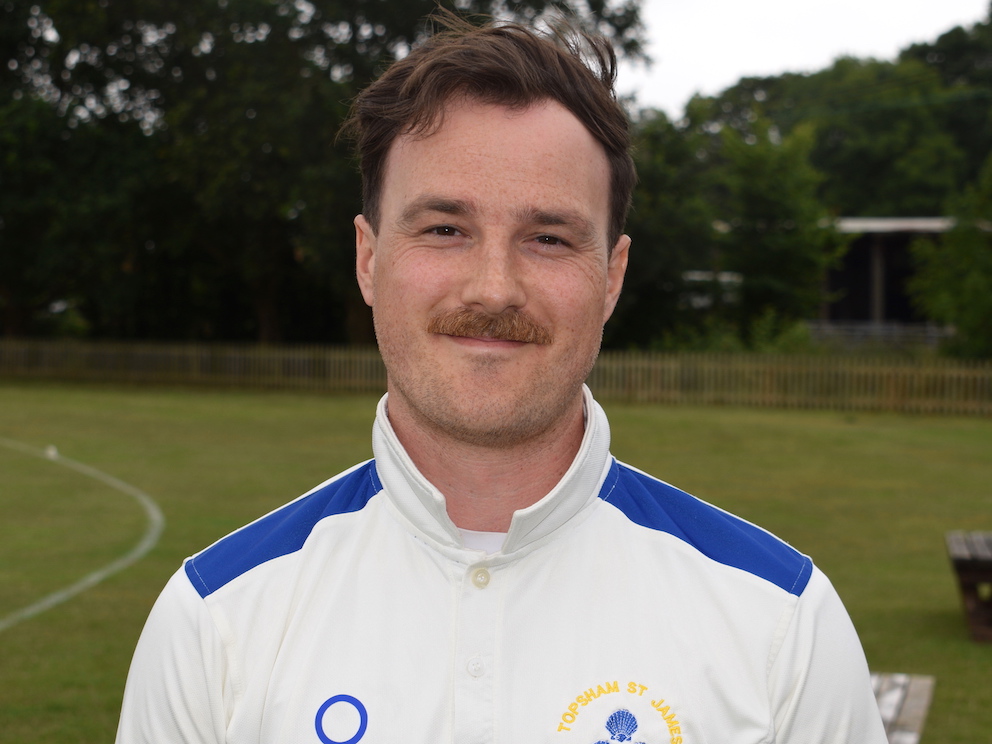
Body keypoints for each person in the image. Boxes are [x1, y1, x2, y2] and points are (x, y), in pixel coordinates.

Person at [116, 13, 888, 744]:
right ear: (368, 257)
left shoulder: (781, 622)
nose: (493, 288)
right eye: (444, 229)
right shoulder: (214, 621)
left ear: (612, 276)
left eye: (548, 237)